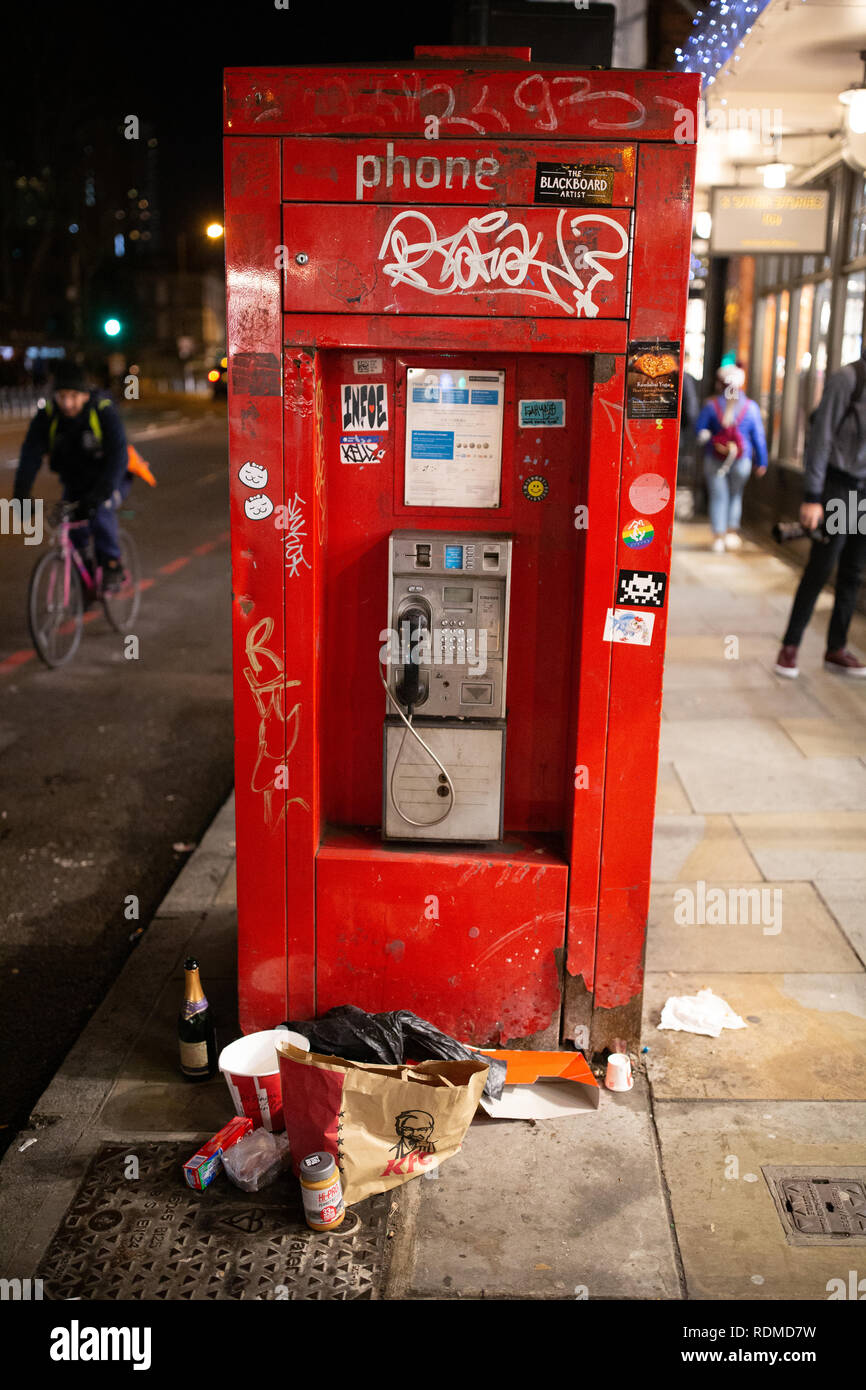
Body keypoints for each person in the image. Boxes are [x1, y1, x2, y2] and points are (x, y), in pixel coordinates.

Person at [774, 348, 866, 678]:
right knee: (822, 566)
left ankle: (835, 649)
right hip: (839, 487)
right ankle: (790, 647)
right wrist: (813, 496)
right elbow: (821, 439)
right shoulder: (849, 379)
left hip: (864, 490)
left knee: (854, 571)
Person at [13, 362, 130, 589]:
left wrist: (99, 495)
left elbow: (119, 456)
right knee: (73, 527)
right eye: (61, 396)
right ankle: (84, 583)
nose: (67, 403)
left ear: (85, 395)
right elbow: (30, 455)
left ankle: (112, 564)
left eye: (73, 396)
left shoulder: (103, 410)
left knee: (100, 512)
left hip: (110, 479)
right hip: (74, 481)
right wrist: (21, 494)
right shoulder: (48, 416)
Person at [694, 363, 768, 553]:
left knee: (719, 496)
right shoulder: (751, 408)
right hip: (742, 460)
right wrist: (762, 461)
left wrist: (710, 440)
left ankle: (718, 536)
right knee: (735, 495)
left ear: (721, 384)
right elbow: (758, 436)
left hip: (715, 458)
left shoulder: (711, 406)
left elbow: (699, 430)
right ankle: (731, 533)